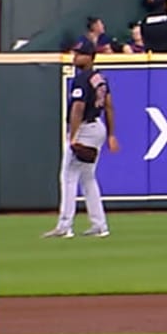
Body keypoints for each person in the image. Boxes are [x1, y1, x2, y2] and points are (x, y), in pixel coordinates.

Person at [43, 39, 117, 238]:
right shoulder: (100, 78)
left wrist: (73, 136)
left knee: (68, 177)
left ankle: (64, 226)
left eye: (80, 54)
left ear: (90, 56)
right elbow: (109, 106)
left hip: (84, 128)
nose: (75, 57)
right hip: (97, 127)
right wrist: (111, 134)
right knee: (88, 178)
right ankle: (99, 225)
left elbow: (78, 108)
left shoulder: (82, 79)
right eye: (75, 53)